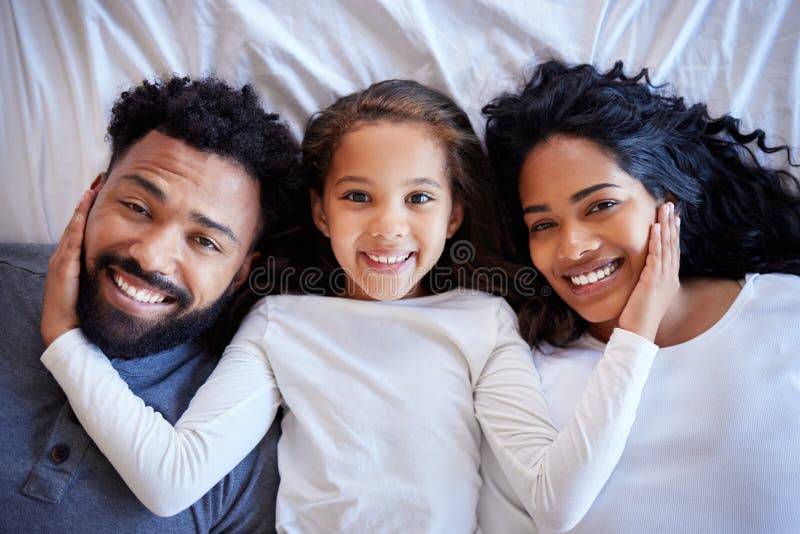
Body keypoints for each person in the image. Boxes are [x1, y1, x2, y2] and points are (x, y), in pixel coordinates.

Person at [41, 79, 678, 533]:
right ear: (321, 213)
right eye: (357, 196)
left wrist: (635, 337)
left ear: (454, 214)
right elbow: (172, 479)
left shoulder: (481, 322)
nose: (388, 227)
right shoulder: (280, 324)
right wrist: (66, 343)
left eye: (419, 199)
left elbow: (554, 500)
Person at [480, 59, 800, 533]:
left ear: (667, 200)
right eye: (543, 224)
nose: (572, 248)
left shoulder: (786, 312)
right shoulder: (521, 373)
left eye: (602, 205)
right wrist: (634, 336)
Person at [0, 75, 300, 532]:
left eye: (205, 241)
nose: (151, 257)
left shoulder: (232, 449)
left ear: (241, 271)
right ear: (93, 195)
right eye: (137, 208)